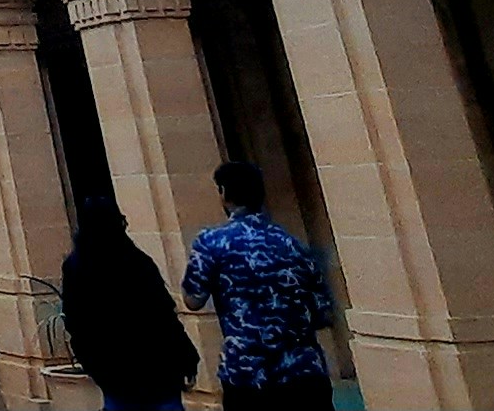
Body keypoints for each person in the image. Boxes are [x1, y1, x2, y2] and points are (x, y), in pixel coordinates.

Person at [176, 163, 333, 411]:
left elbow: (193, 299)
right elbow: (323, 313)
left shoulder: (211, 243)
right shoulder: (292, 244)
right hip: (304, 372)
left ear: (224, 193)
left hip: (248, 374)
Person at [56, 201, 194, 411]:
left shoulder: (77, 268)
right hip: (156, 368)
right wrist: (186, 358)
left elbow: (75, 322)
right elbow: (164, 315)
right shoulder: (138, 262)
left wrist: (93, 363)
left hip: (113, 372)